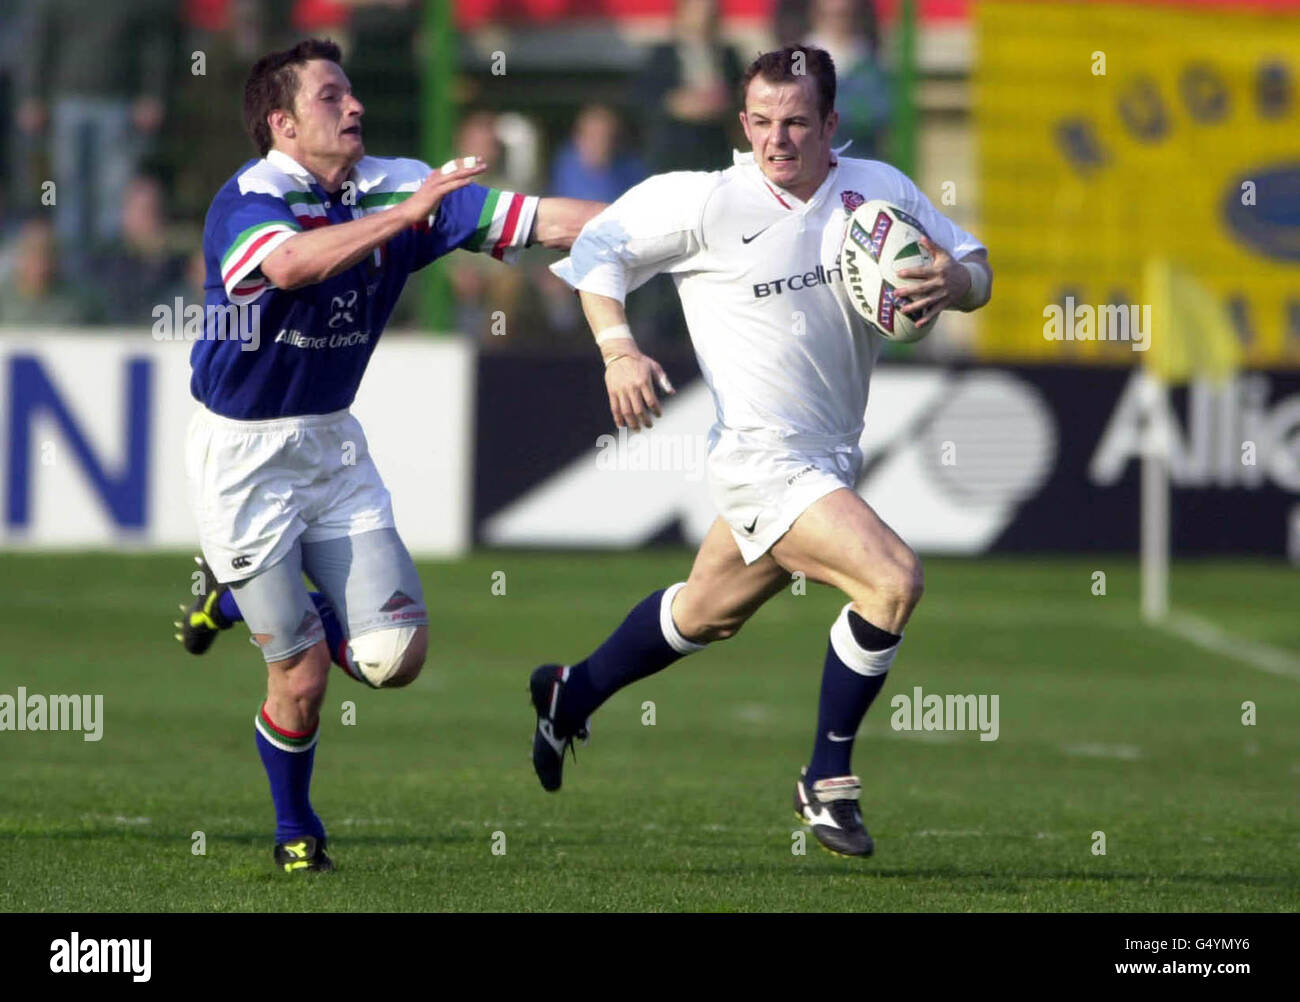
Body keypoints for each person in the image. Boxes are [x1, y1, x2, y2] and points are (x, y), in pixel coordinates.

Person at [534, 46, 992, 858]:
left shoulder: (877, 190)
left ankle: (570, 695)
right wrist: (617, 349)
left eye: (795, 122)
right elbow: (599, 251)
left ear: (831, 125)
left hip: (828, 454)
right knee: (891, 581)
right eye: (761, 122)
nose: (776, 139)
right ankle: (826, 780)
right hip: (760, 459)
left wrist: (951, 283)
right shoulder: (704, 202)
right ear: (742, 123)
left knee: (705, 614)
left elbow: (978, 269)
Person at [171, 38, 601, 873]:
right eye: (331, 97)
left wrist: (696, 223)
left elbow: (545, 220)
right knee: (297, 678)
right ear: (282, 123)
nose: (355, 106)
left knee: (394, 660)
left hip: (331, 443)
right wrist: (407, 218)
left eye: (353, 92)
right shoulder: (249, 197)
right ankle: (296, 832)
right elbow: (290, 265)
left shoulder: (395, 181)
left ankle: (232, 605)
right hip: (241, 459)